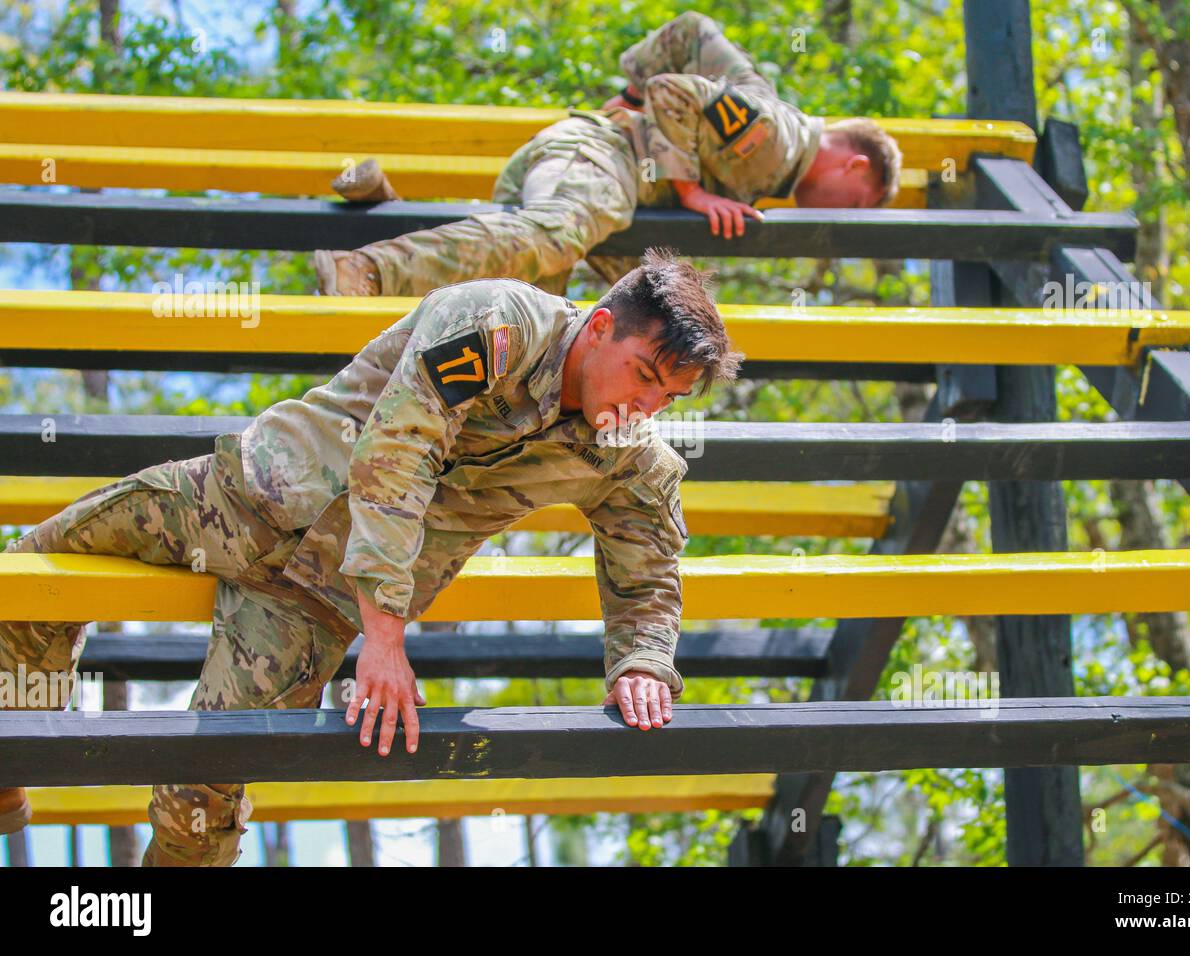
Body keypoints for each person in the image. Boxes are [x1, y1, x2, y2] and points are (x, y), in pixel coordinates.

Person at [0, 248, 742, 866]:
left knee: (201, 799)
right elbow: (401, 449)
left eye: (668, 398)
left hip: (313, 601)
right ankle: (8, 760)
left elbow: (647, 558)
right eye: (644, 375)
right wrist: (385, 635)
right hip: (248, 501)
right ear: (601, 326)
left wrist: (642, 660)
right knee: (31, 572)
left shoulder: (628, 453)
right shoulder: (498, 323)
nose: (645, 407)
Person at [315, 10, 902, 297]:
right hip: (597, 166)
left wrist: (626, 94)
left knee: (523, 323)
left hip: (601, 175)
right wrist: (689, 187)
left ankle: (388, 211)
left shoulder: (765, 119)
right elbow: (675, 90)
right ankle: (367, 267)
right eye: (861, 202)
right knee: (555, 236)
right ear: (856, 166)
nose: (849, 213)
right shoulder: (777, 140)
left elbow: (691, 31)